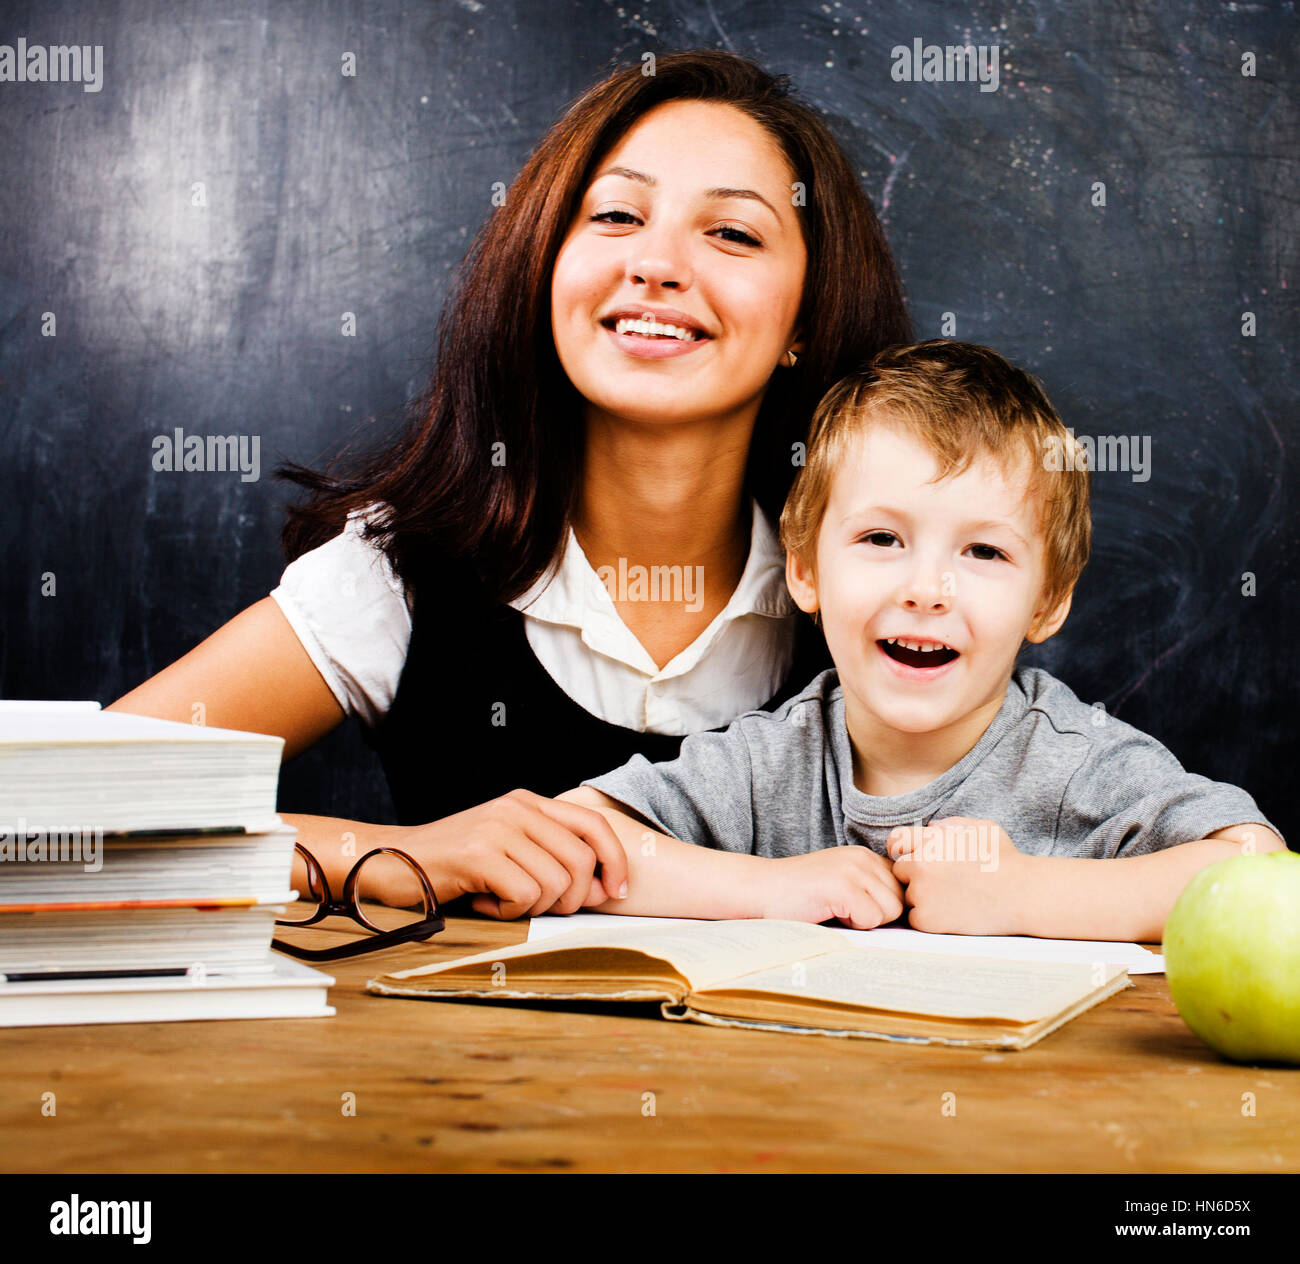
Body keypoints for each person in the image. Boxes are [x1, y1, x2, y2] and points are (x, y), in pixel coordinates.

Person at [106, 50, 912, 921]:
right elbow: (61, 811)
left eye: (733, 233)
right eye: (614, 214)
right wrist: (388, 854)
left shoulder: (895, 589)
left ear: (805, 316)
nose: (657, 264)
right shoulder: (407, 569)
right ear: (545, 264)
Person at [560, 340, 1288, 942]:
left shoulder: (1073, 763)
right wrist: (770, 886)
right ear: (807, 568)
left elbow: (1255, 860)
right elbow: (575, 840)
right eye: (882, 538)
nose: (928, 589)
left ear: (1049, 599)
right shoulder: (769, 764)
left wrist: (1025, 894)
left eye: (984, 553)